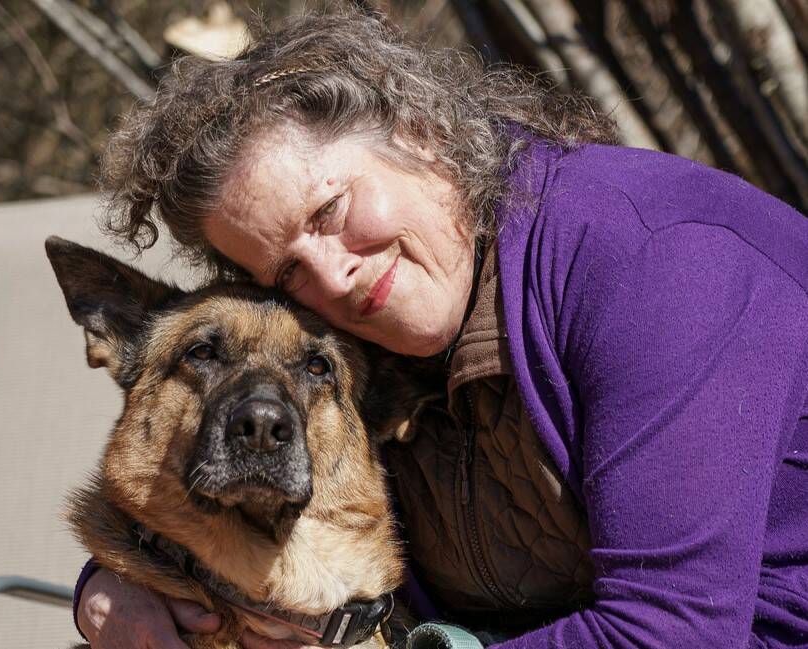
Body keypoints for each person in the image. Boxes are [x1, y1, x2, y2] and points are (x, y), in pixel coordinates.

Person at [75, 10, 808, 649]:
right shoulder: (367, 336)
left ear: (419, 134)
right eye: (287, 270)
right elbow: (235, 505)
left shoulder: (658, 263)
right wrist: (115, 581)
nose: (334, 275)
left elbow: (671, 630)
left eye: (330, 211)